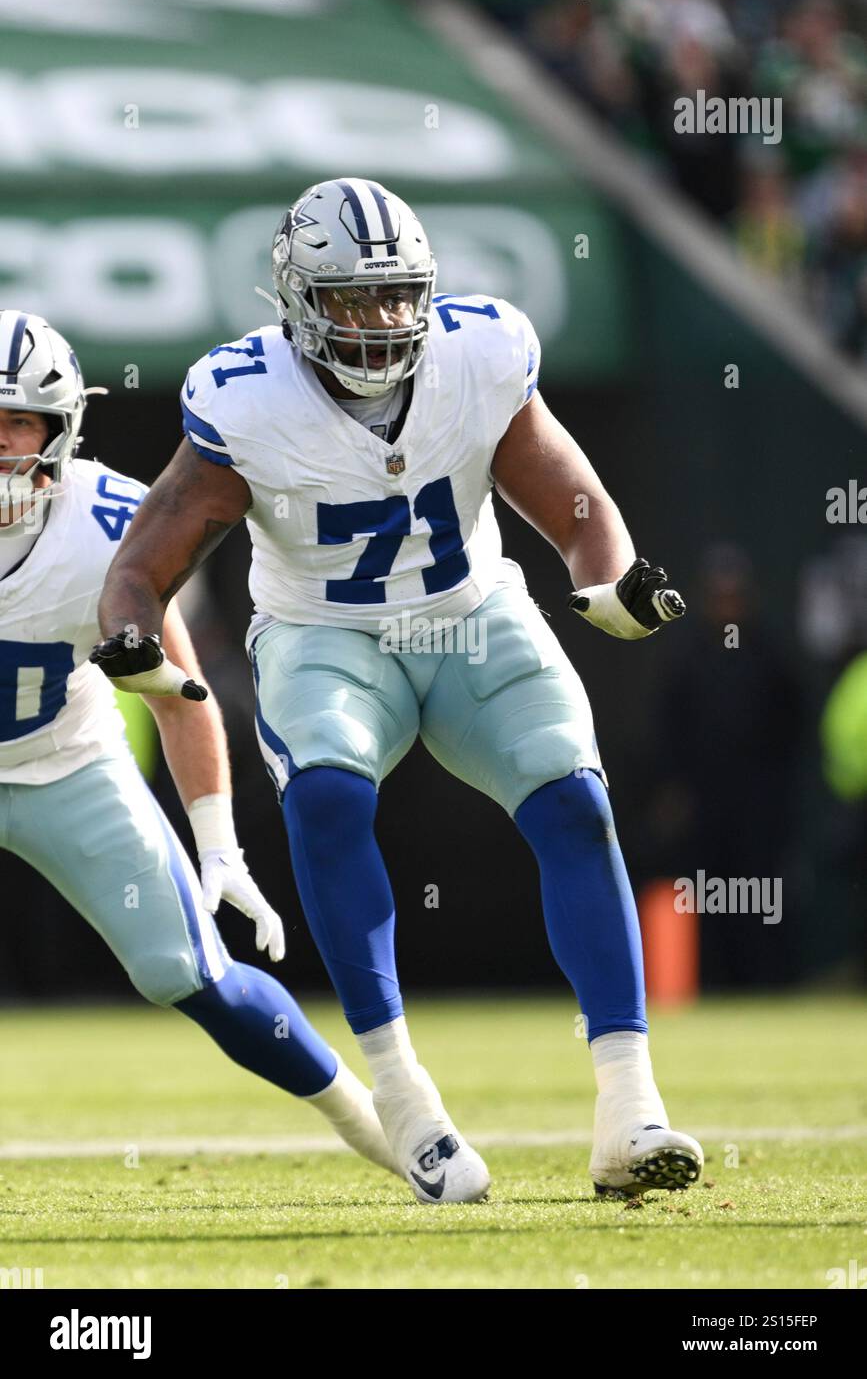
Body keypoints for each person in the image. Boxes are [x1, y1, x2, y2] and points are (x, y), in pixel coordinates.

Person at [93, 178, 702, 1203]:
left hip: (471, 615)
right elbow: (142, 564)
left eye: (396, 296)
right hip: (326, 636)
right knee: (328, 799)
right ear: (297, 301)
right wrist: (128, 636)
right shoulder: (246, 395)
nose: (379, 323)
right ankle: (406, 1097)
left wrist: (612, 576)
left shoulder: (479, 353)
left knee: (576, 804)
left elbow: (571, 495)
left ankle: (629, 1106)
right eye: (352, 300)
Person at [0, 309, 396, 1179]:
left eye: (16, 421)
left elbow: (180, 697)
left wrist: (217, 844)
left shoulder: (106, 525)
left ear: (59, 430)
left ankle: (376, 1125)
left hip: (59, 764)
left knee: (186, 971)